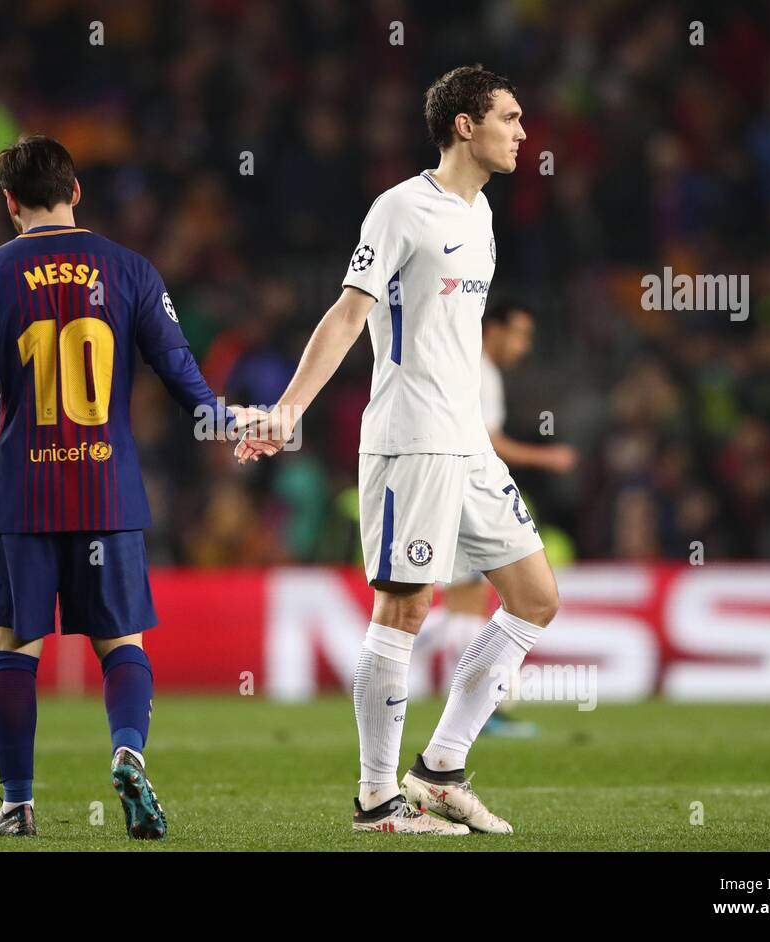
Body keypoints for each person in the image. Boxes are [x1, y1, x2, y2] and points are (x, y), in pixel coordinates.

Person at [237, 66, 559, 835]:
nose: (522, 133)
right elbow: (349, 315)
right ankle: (376, 799)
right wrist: (289, 411)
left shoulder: (479, 214)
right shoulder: (401, 209)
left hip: (467, 444)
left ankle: (440, 770)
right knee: (404, 608)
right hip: (410, 442)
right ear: (463, 125)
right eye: (509, 118)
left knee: (536, 598)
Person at [0, 134, 255, 840]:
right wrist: (228, 422)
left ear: (9, 203)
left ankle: (18, 805)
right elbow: (181, 378)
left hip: (23, 493)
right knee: (120, 642)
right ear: (76, 192)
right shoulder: (130, 270)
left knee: (16, 648)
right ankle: (128, 752)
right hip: (106, 487)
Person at [436, 300, 578, 739]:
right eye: (519, 334)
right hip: (464, 489)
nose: (524, 346)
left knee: (460, 601)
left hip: (442, 484)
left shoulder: (459, 362)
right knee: (465, 600)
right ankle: (484, 710)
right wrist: (547, 456)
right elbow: (491, 443)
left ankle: (477, 701)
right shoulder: (481, 370)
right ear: (492, 328)